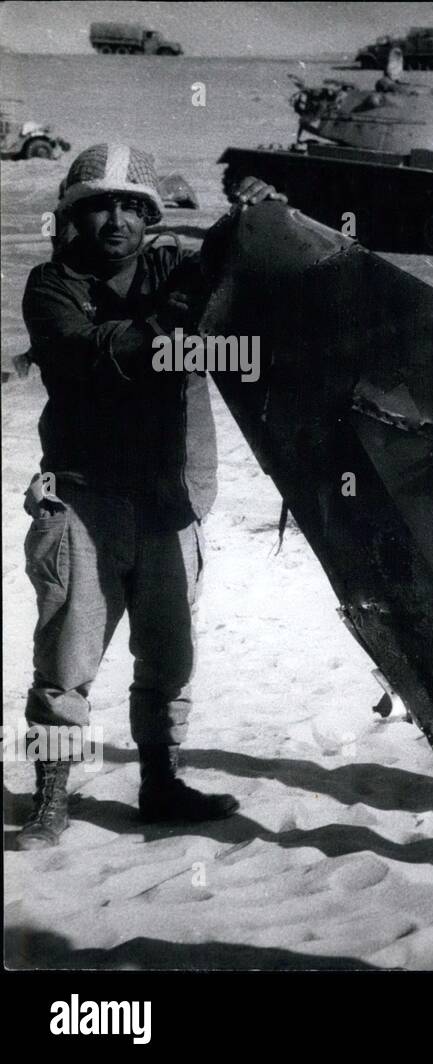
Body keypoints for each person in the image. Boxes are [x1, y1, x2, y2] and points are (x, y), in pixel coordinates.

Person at [17, 144, 281, 850]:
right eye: (99, 205)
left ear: (149, 216)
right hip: (83, 497)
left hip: (170, 499)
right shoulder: (50, 286)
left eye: (131, 206)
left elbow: (250, 264)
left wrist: (261, 207)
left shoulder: (175, 270)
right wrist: (171, 326)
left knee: (169, 656)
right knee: (67, 657)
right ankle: (50, 796)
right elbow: (93, 358)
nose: (115, 220)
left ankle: (160, 782)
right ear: (73, 215)